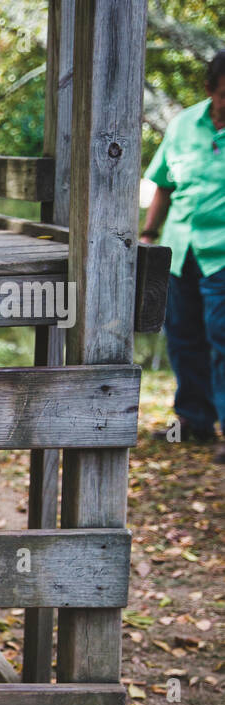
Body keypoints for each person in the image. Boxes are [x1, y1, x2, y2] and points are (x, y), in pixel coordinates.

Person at [141, 50, 225, 464]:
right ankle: (193, 423)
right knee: (183, 337)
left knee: (222, 339)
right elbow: (163, 185)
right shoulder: (183, 126)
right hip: (181, 251)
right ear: (210, 89)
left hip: (223, 255)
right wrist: (148, 233)